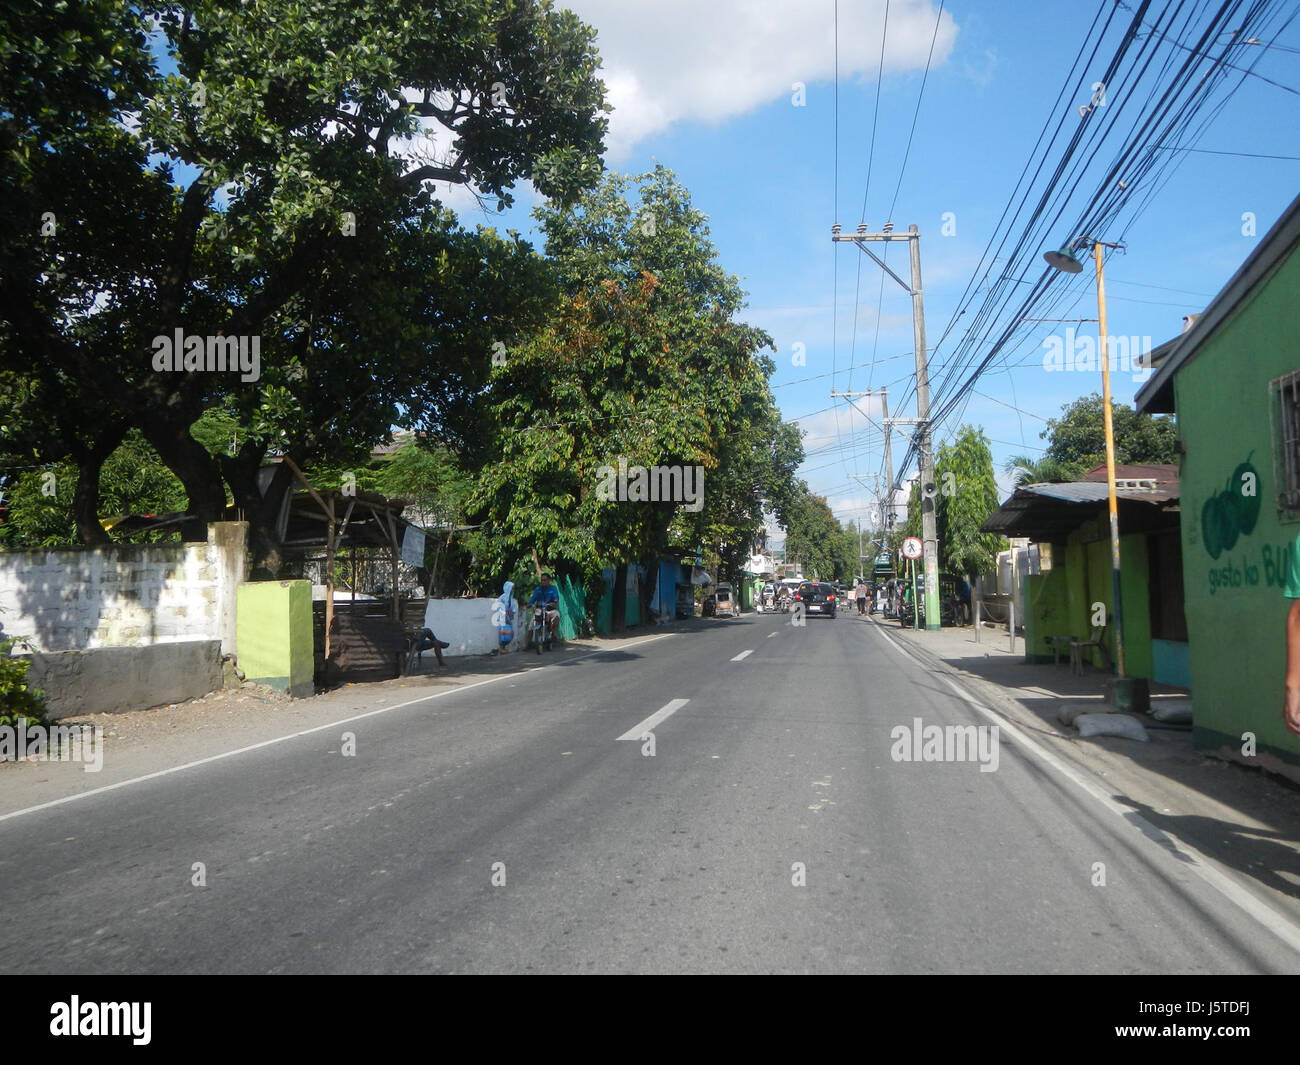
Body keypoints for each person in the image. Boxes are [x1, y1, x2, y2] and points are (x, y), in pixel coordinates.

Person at [527, 572, 560, 648]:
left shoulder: (553, 589)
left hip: (550, 610)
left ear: (548, 581)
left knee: (557, 615)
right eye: (542, 580)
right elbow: (533, 599)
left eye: (545, 580)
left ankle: (554, 632)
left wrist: (554, 603)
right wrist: (529, 604)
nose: (543, 582)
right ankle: (526, 645)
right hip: (540, 610)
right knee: (531, 626)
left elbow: (556, 600)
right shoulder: (538, 589)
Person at [495, 580, 516, 655]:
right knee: (503, 633)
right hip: (502, 618)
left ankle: (503, 648)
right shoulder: (502, 597)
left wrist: (512, 612)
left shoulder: (511, 598)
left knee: (509, 633)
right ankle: (501, 649)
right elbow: (499, 607)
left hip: (508, 618)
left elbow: (513, 608)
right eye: (512, 588)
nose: (513, 590)